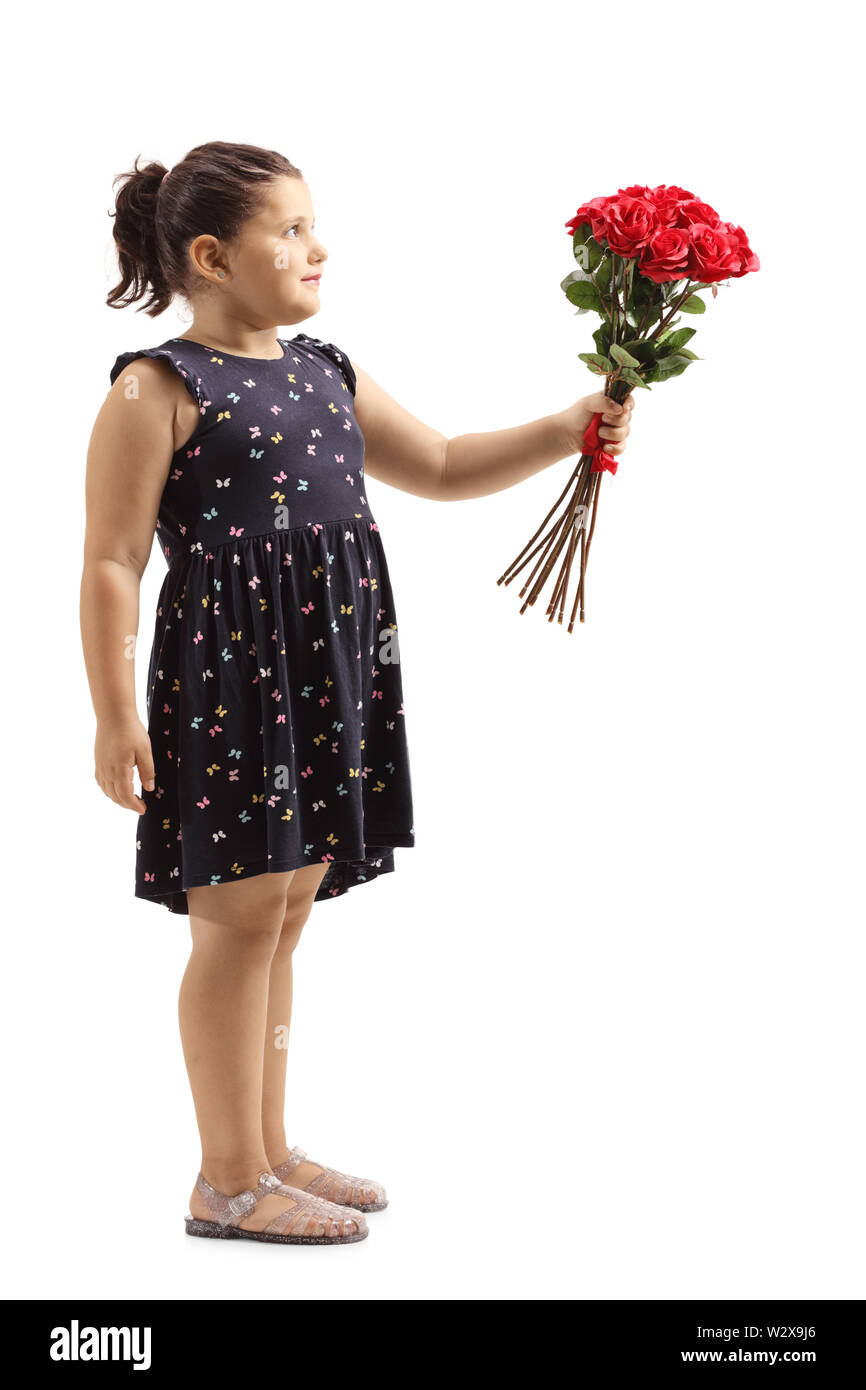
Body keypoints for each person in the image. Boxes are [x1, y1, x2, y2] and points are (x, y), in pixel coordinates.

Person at [80, 140, 635, 1246]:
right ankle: (225, 1178)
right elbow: (110, 560)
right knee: (237, 922)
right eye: (287, 229)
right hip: (232, 683)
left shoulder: (321, 369)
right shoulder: (157, 388)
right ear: (210, 255)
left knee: (284, 914)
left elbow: (435, 461)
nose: (314, 244)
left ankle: (269, 1146)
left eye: (310, 221)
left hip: (324, 673)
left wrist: (563, 425)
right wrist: (112, 713)